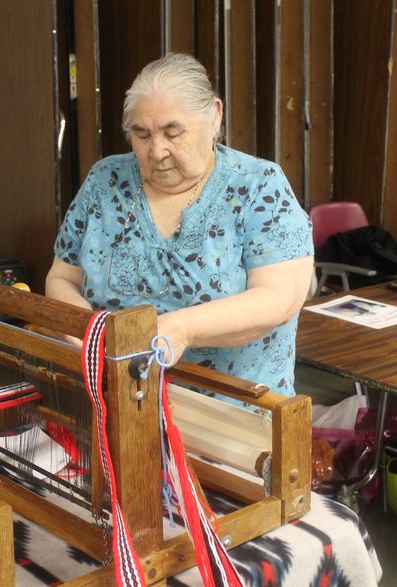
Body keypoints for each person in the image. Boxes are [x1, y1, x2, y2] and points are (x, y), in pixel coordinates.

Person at [46, 52, 314, 396]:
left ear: (215, 116)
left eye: (173, 133)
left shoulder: (258, 185)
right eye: (141, 135)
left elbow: (279, 298)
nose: (157, 151)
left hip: (232, 413)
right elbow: (62, 277)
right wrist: (84, 328)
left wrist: (180, 328)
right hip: (116, 401)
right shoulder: (104, 181)